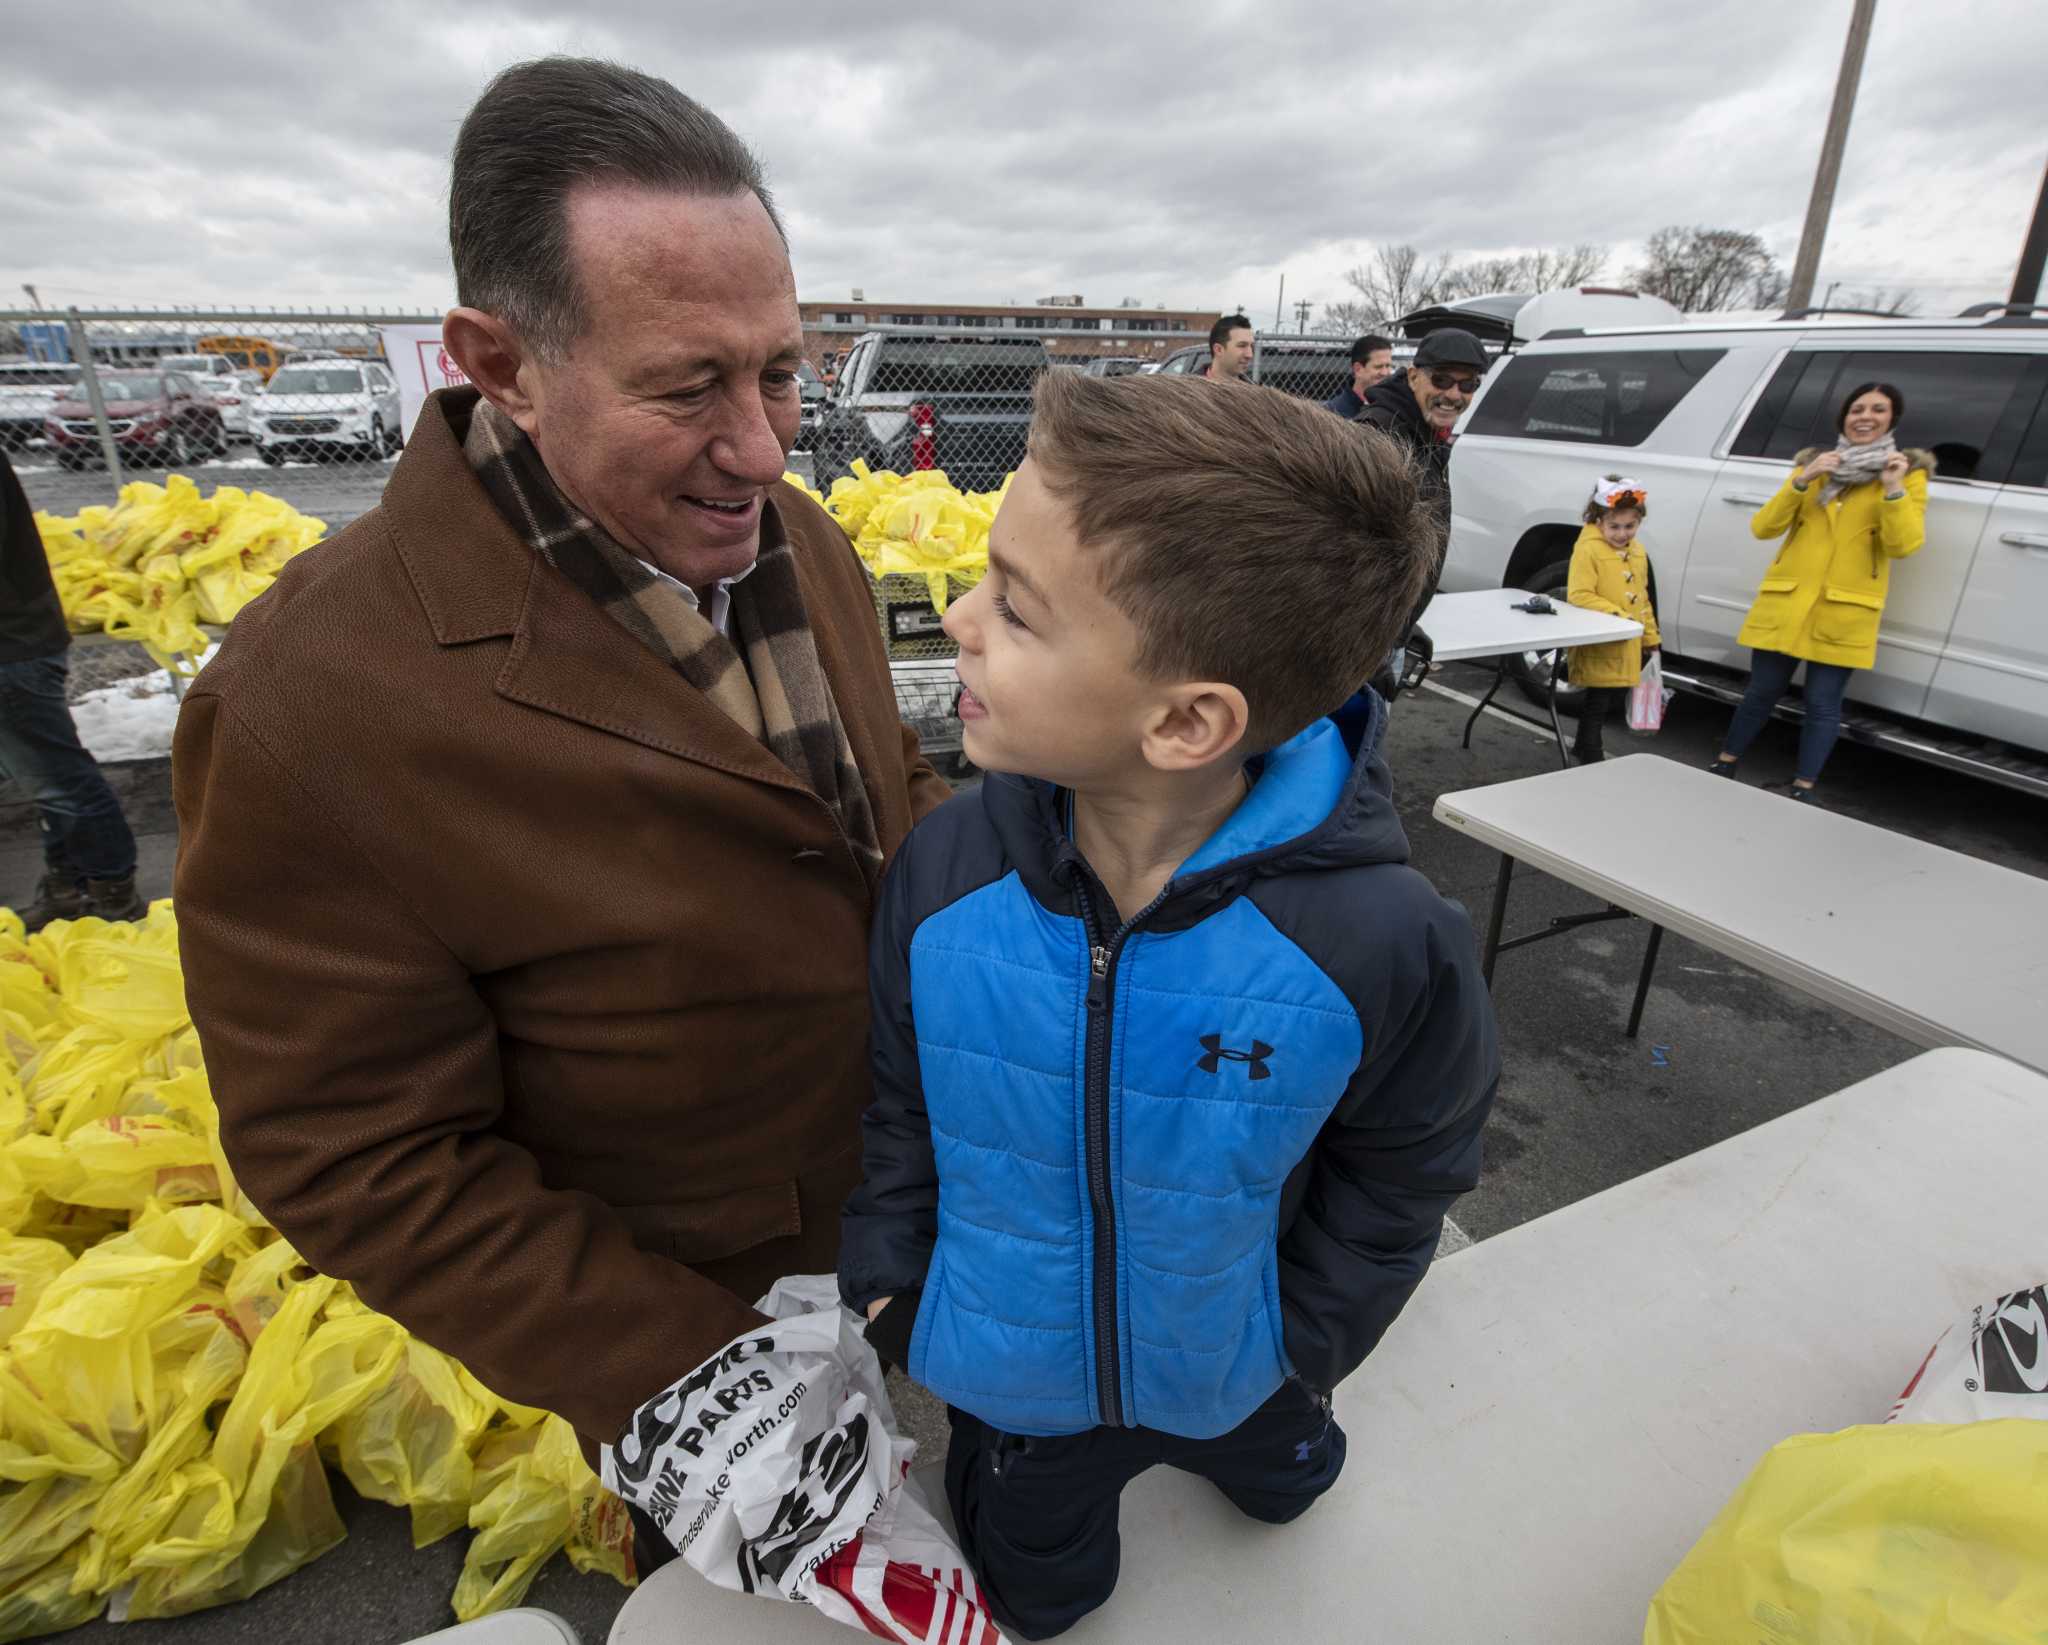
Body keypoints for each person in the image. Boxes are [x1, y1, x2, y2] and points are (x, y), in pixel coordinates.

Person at [172, 55, 951, 1504]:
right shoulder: (307, 705)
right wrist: (701, 1390)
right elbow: (358, 1149)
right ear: (499, 363)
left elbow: (881, 789)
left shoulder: (800, 537)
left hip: (916, 1221)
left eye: (779, 369)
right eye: (688, 386)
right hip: (698, 1328)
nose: (763, 444)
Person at [839, 372, 1500, 1640]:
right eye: (981, 577)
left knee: (1287, 1503)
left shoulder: (1380, 938)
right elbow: (900, 1097)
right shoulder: (941, 875)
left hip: (1238, 1362)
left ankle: (1276, 1439)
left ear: (1187, 720)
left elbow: (1406, 1164)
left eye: (1016, 610)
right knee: (1041, 1601)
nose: (960, 618)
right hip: (1011, 1377)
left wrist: (1299, 1341)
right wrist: (891, 1275)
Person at [1711, 381, 1929, 799]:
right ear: (1844, 417)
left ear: (1891, 419)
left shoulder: (1907, 476)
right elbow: (1764, 528)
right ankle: (1725, 762)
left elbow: (1903, 545)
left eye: (1878, 410)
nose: (1865, 416)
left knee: (1823, 704)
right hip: (1788, 601)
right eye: (1857, 408)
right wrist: (1802, 480)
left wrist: (1893, 489)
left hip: (1843, 610)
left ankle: (1803, 786)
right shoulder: (1813, 466)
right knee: (1760, 692)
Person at [1, 445, 145, 931]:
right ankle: (71, 885)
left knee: (60, 781)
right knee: (48, 781)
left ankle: (112, 891)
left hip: (12, 647)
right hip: (20, 640)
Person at [1353, 327, 1489, 699]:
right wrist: (1370, 644)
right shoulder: (1382, 437)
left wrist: (1405, 622)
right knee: (1347, 753)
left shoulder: (1422, 431)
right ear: (1413, 375)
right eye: (1441, 379)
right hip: (1357, 644)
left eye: (1467, 385)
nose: (1453, 394)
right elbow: (1346, 553)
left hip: (1386, 634)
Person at [1565, 475, 1660, 764]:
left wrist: (1651, 637)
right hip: (1602, 635)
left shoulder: (1638, 550)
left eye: (1630, 526)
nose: (1622, 534)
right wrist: (1619, 618)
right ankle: (1591, 753)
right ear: (1598, 520)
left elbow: (1642, 597)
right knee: (1598, 697)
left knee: (1606, 698)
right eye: (1614, 526)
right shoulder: (1588, 548)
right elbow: (1579, 594)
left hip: (1628, 638)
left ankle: (1584, 744)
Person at [1322, 333, 1395, 418]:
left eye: (1388, 366)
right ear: (1358, 369)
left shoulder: (1393, 408)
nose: (1385, 373)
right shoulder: (1333, 414)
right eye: (1378, 367)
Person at [1202, 313, 1254, 381]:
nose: (1250, 355)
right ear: (1218, 350)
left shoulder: (1255, 390)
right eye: (1242, 345)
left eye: (1252, 346)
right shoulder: (1186, 390)